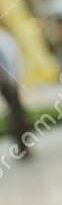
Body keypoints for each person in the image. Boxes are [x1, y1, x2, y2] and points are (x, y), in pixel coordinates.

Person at [0, 24, 31, 159]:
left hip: (11, 79)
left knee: (17, 112)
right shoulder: (5, 36)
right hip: (6, 81)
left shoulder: (4, 36)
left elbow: (13, 56)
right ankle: (22, 145)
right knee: (16, 112)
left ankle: (23, 145)